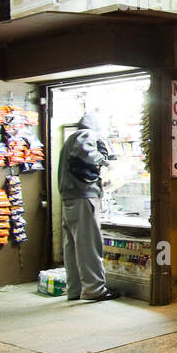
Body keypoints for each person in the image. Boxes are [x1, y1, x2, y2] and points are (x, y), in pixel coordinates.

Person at [57, 114, 120, 302]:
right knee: (88, 245)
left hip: (70, 198)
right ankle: (94, 289)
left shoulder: (70, 139)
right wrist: (105, 162)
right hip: (83, 196)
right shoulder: (85, 134)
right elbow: (85, 151)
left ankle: (75, 289)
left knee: (73, 247)